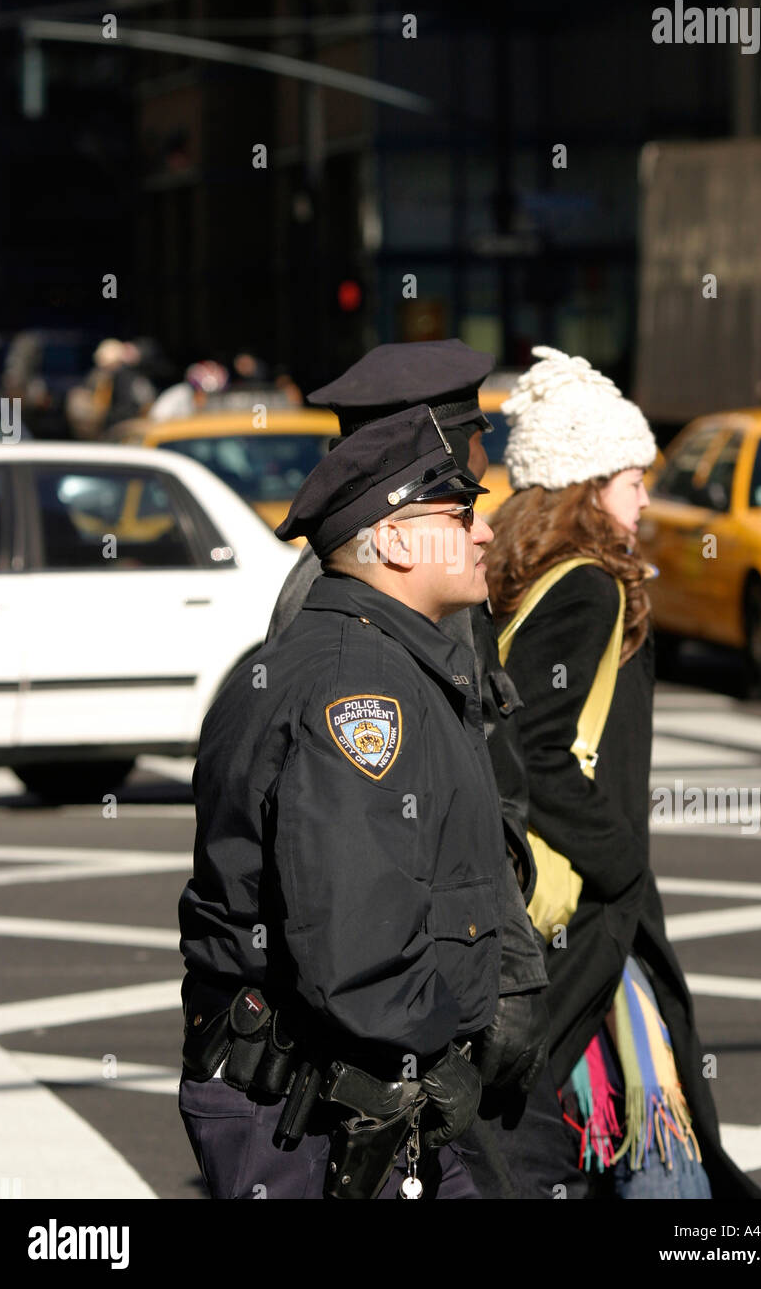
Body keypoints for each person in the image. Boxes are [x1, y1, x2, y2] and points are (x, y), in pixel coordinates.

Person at [178, 405, 510, 1199]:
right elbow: (355, 935)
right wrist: (429, 1057)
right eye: (460, 514)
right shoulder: (359, 688)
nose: (485, 532)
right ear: (395, 540)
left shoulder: (377, 660)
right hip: (320, 1107)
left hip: (344, 1089)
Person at [469, 347, 761, 1200]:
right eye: (635, 480)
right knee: (656, 1141)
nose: (646, 499)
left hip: (569, 907)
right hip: (589, 910)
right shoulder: (591, 588)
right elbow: (542, 752)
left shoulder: (516, 578)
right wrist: (621, 859)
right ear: (590, 483)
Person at [267, 339, 549, 1113]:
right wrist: (509, 982)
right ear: (443, 443)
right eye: (477, 434)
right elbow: (418, 836)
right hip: (442, 991)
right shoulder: (398, 587)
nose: (489, 455)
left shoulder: (390, 564)